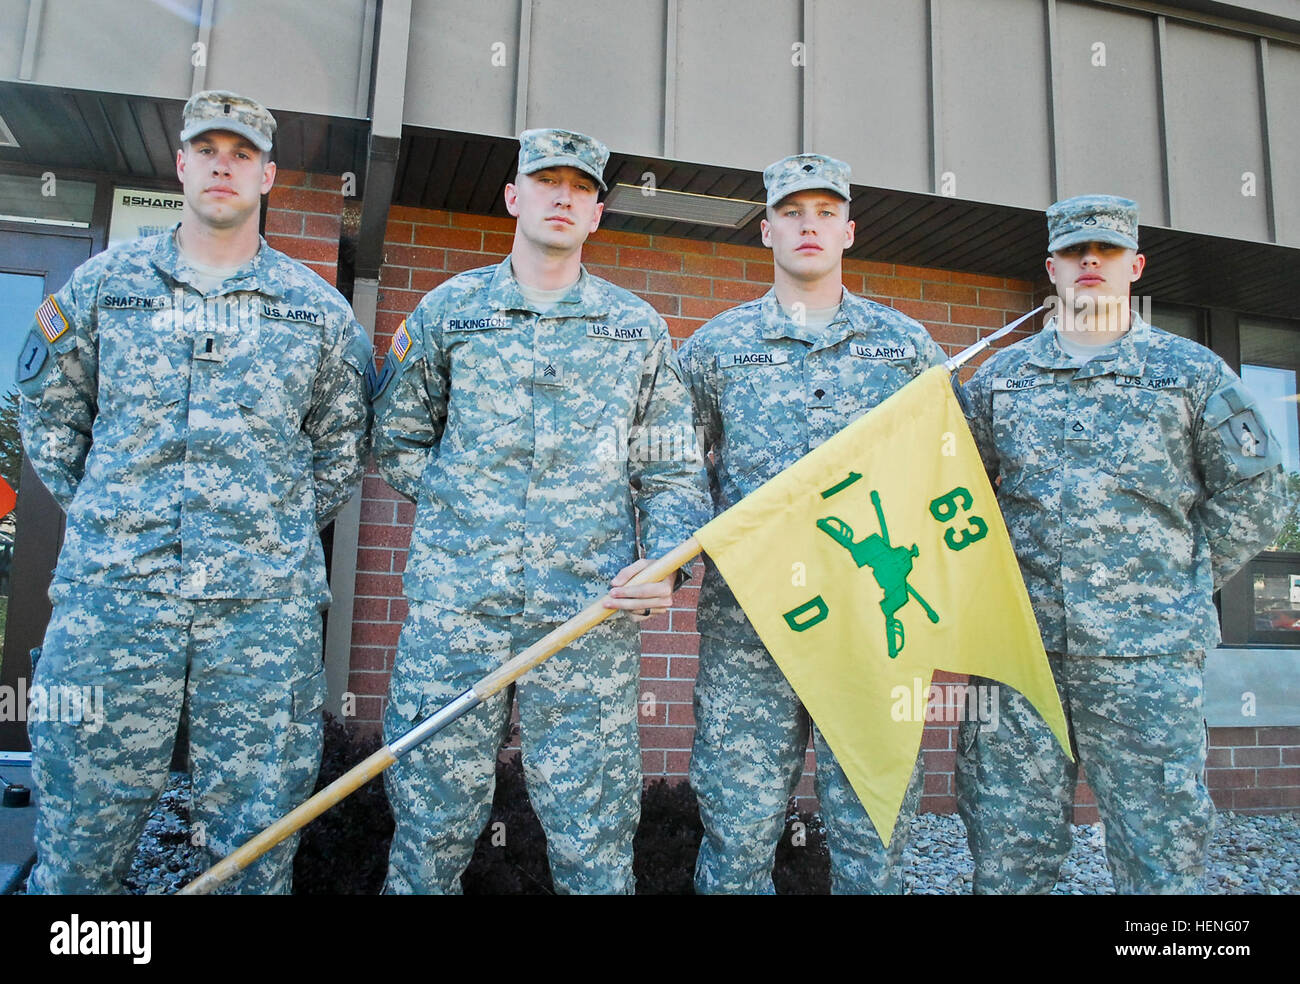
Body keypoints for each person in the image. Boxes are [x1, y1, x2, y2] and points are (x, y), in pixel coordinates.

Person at [16, 90, 373, 894]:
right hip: (116, 603)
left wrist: (262, 533)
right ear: (180, 165)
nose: (223, 164)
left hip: (261, 613)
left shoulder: (316, 313)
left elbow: (340, 452)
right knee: (81, 835)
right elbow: (49, 414)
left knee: (255, 840)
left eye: (242, 153)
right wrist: (116, 518)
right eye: (207, 149)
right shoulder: (104, 287)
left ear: (268, 175)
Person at [371, 128, 710, 894]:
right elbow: (395, 438)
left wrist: (667, 563)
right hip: (460, 613)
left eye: (581, 188)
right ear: (513, 197)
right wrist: (470, 511)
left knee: (592, 837)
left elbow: (671, 470)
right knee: (428, 831)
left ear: (596, 214)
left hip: (587, 615)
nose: (563, 197)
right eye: (546, 181)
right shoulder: (449, 313)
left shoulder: (637, 331)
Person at [957, 194, 1287, 894]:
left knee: (1159, 856)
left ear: (1135, 265)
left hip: (1148, 660)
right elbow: (955, 493)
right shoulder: (999, 380)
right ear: (1053, 267)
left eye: (1106, 253)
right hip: (1022, 656)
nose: (1091, 265)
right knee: (1007, 854)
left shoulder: (1189, 375)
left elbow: (1259, 497)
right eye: (1076, 253)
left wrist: (1175, 582)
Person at [677, 154, 946, 894]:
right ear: (765, 230)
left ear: (849, 232)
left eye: (826, 213)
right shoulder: (713, 351)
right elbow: (671, 467)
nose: (808, 226)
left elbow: (947, 473)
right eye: (792, 213)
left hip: (870, 633)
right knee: (736, 833)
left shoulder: (909, 350)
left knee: (873, 838)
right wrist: (666, 560)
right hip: (751, 631)